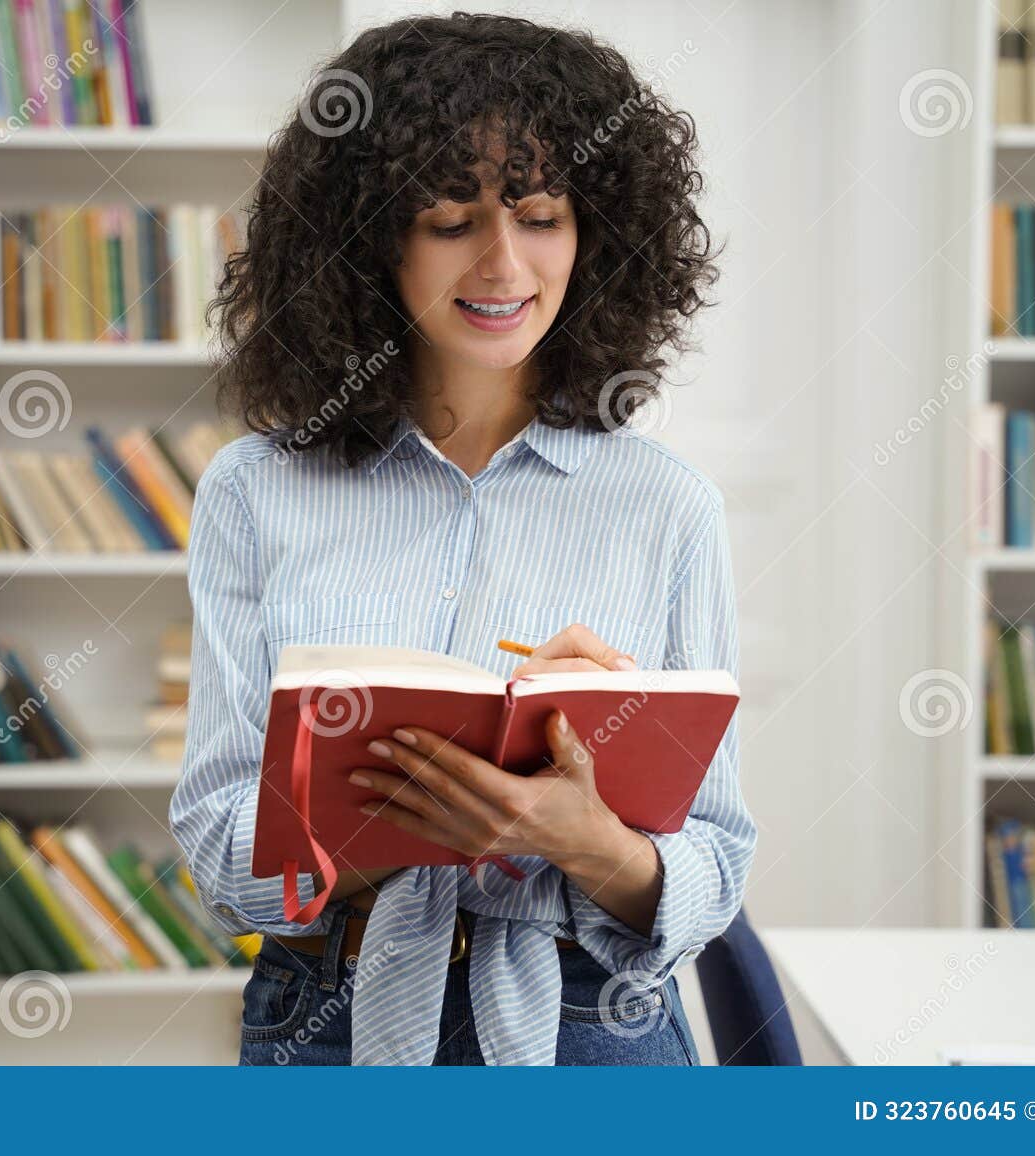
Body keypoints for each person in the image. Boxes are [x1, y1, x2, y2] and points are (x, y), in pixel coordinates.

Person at [169, 11, 755, 1066]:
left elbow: (715, 864)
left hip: (589, 1024)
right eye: (449, 222)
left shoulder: (667, 504)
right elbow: (220, 855)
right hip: (323, 1015)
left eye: (540, 215)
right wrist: (387, 829)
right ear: (368, 242)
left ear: (597, 235)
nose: (503, 262)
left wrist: (588, 841)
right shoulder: (256, 491)